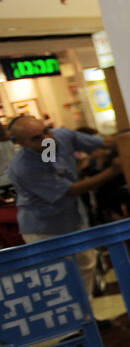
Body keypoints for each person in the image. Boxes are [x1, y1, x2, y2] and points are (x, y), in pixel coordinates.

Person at [6, 115, 122, 313]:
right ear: (19, 143)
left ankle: (85, 320)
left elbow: (105, 142)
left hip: (72, 219)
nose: (46, 138)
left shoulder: (61, 137)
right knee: (57, 280)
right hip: (44, 229)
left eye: (46, 130)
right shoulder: (23, 167)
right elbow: (70, 190)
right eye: (36, 138)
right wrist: (113, 171)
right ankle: (70, 327)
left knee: (86, 268)